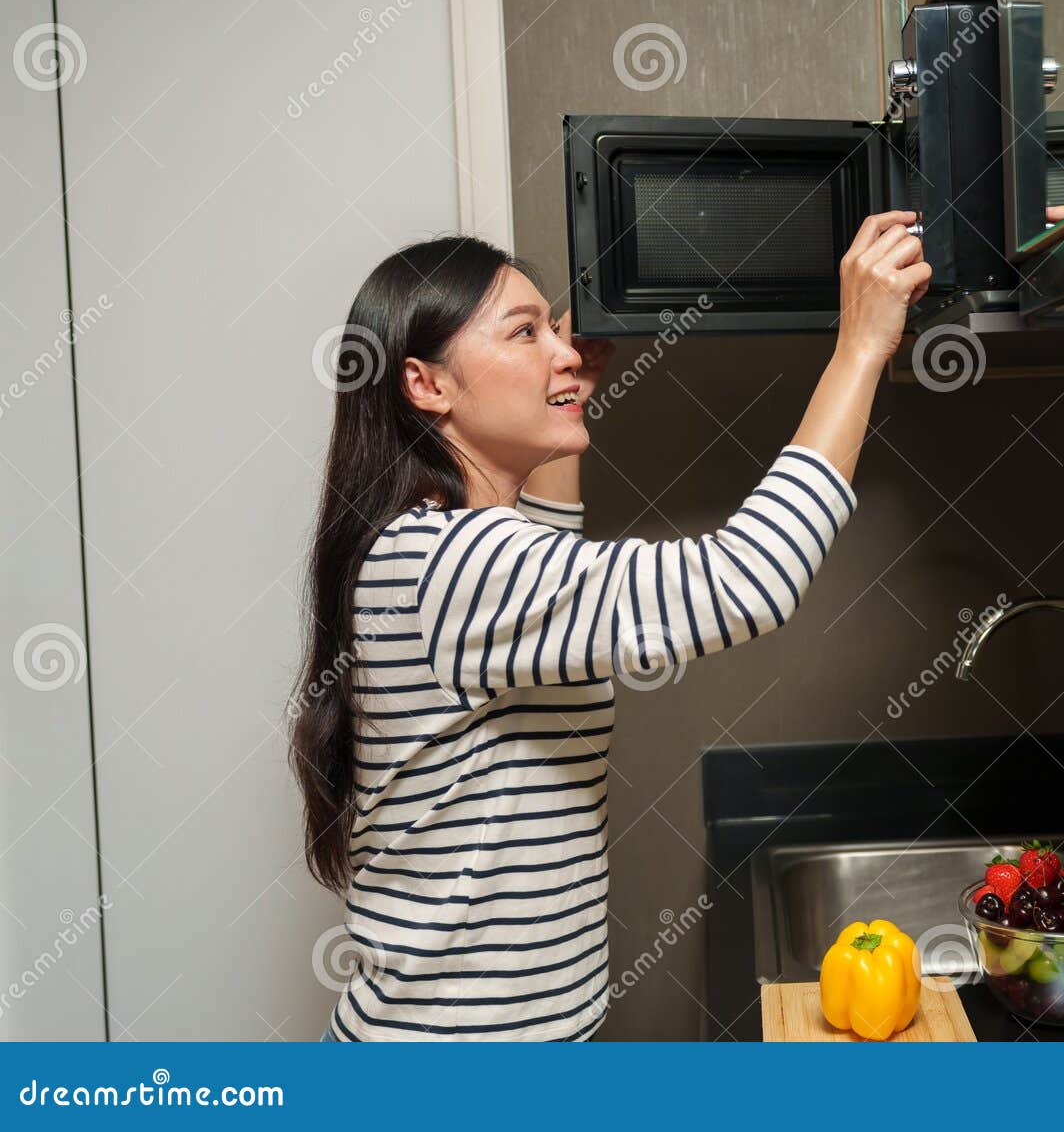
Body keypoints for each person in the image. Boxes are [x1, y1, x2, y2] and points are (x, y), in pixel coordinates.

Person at [290, 212, 930, 1040]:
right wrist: (860, 349)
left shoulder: (443, 552)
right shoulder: (451, 562)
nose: (559, 348)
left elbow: (547, 576)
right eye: (524, 333)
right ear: (427, 385)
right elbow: (748, 579)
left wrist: (560, 399)